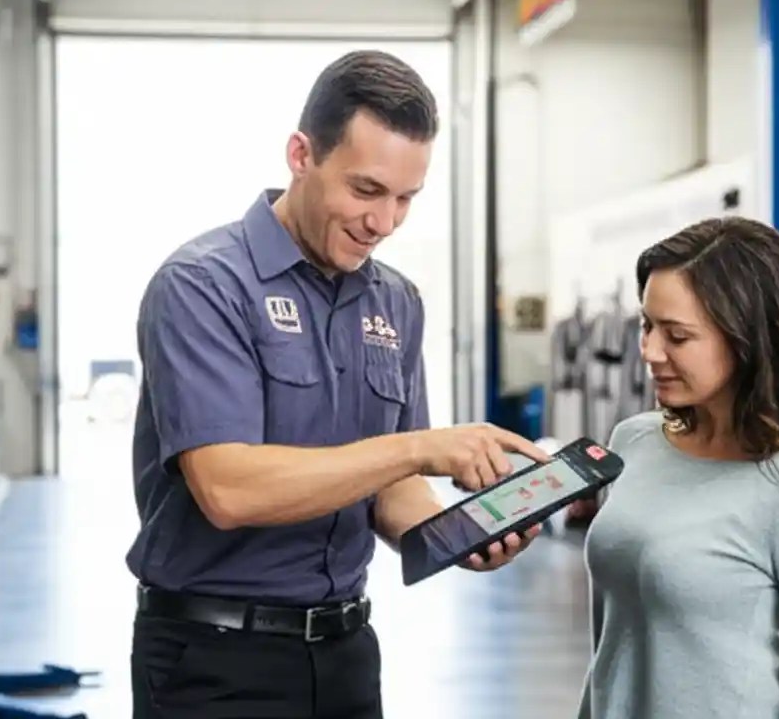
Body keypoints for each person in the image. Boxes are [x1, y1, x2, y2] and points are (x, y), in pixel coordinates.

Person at [128, 49, 551, 719]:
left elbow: (392, 490)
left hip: (347, 655)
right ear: (301, 155)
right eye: (365, 190)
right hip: (213, 661)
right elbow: (228, 488)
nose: (383, 223)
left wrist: (463, 534)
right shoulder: (204, 286)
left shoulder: (397, 302)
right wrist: (420, 449)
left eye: (405, 199)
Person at [577, 217, 779, 718]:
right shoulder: (636, 442)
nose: (649, 351)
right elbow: (612, 648)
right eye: (648, 326)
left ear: (748, 338)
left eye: (678, 336)